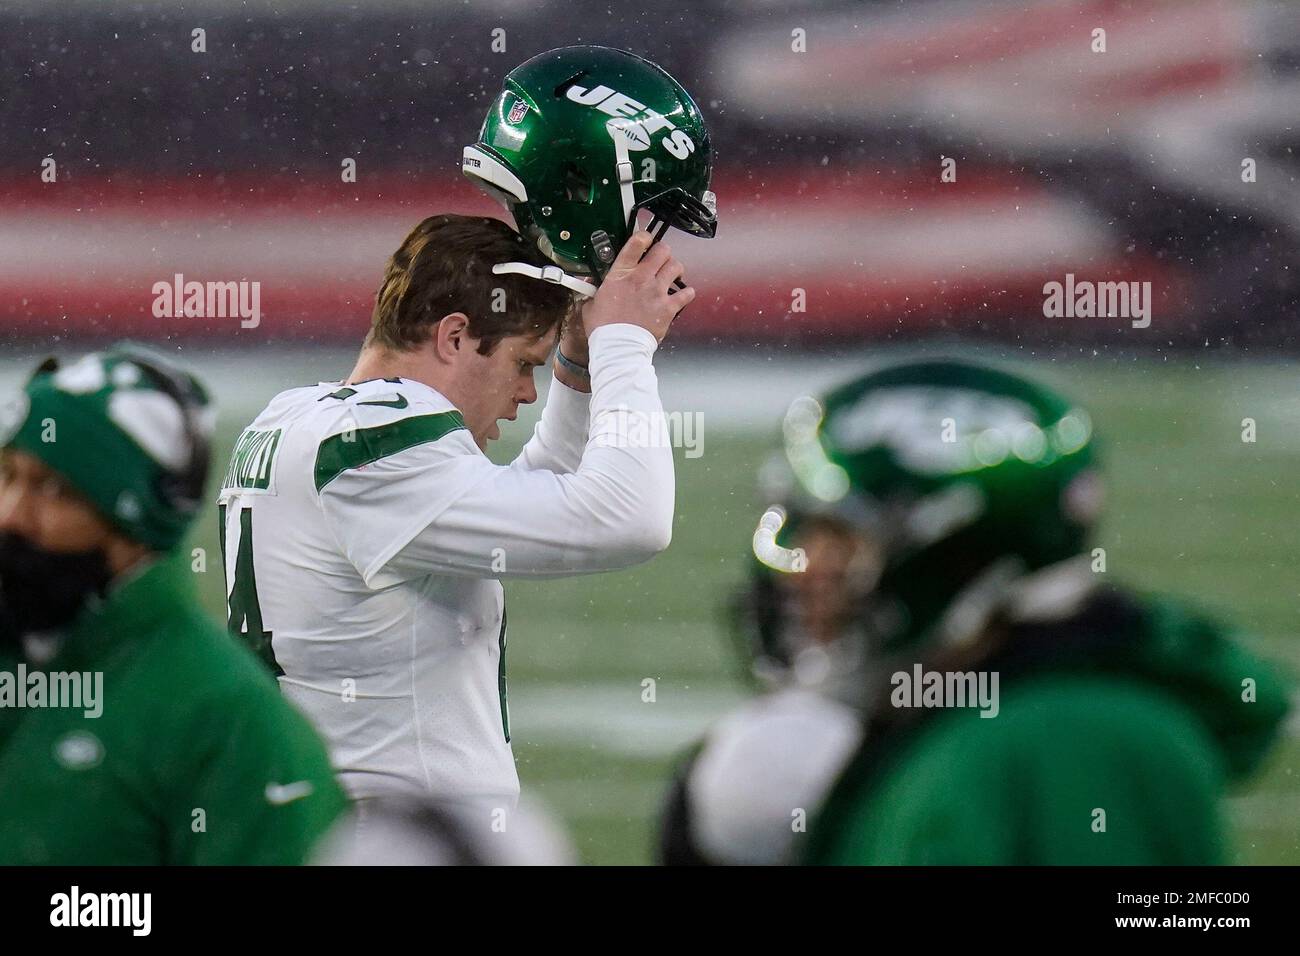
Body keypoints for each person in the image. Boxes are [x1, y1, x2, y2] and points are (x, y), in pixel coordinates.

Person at [661, 358, 1291, 865]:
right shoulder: (970, 715)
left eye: (841, 539)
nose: (805, 569)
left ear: (956, 553)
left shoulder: (1073, 742)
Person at [218, 212, 692, 819]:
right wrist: (624, 342)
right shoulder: (372, 442)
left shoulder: (291, 419)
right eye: (524, 363)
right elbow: (631, 520)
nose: (527, 392)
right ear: (455, 336)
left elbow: (544, 497)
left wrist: (577, 370)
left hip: (335, 822)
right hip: (390, 839)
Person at [0, 345, 346, 864]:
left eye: (54, 490)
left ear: (134, 526)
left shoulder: (227, 721)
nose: (11, 515)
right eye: (6, 476)